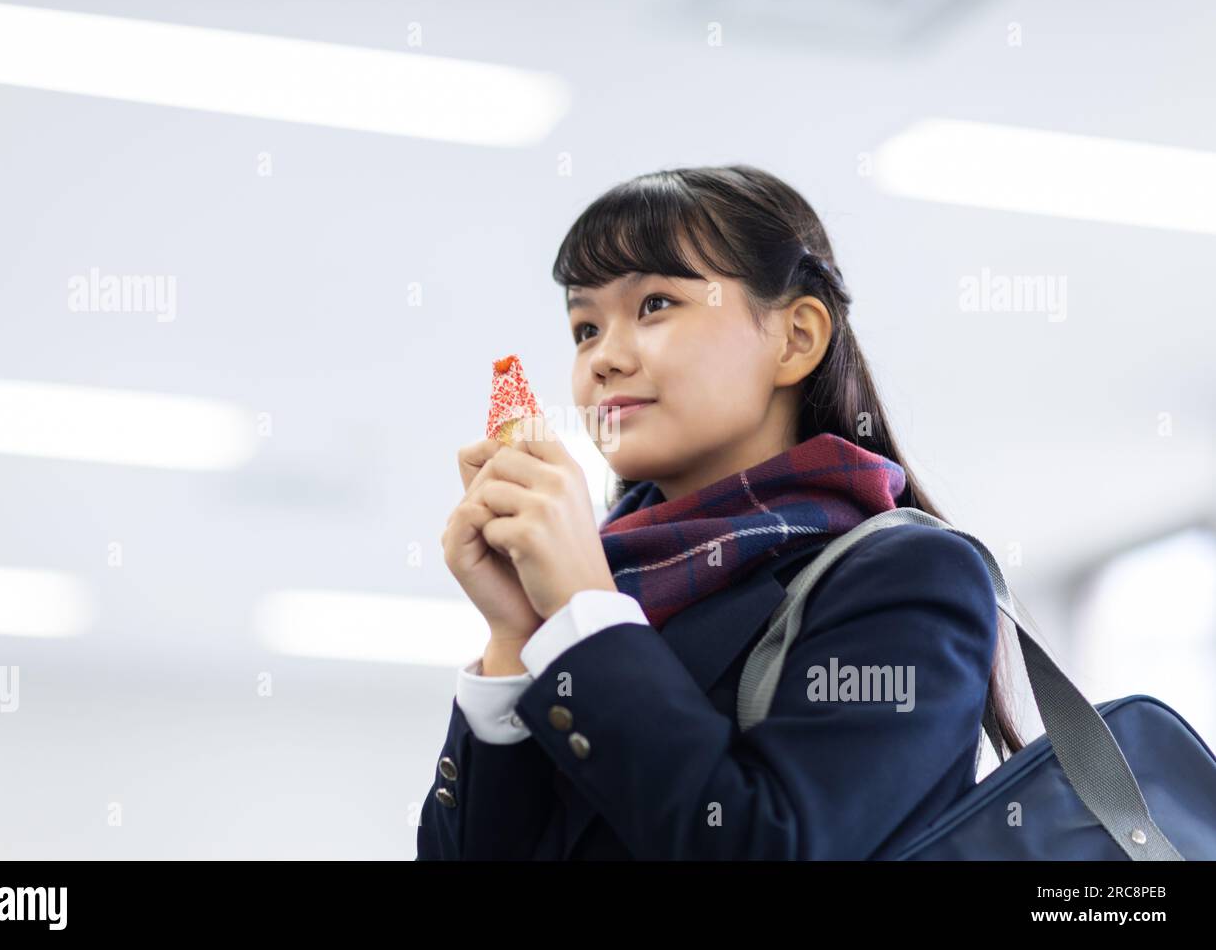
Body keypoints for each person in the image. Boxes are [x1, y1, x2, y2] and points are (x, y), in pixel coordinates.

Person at [417, 164, 1024, 860]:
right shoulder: (592, 601)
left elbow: (769, 847)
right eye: (585, 326)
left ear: (796, 338)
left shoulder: (912, 578)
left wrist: (583, 610)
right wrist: (514, 638)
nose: (603, 360)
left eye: (654, 306)